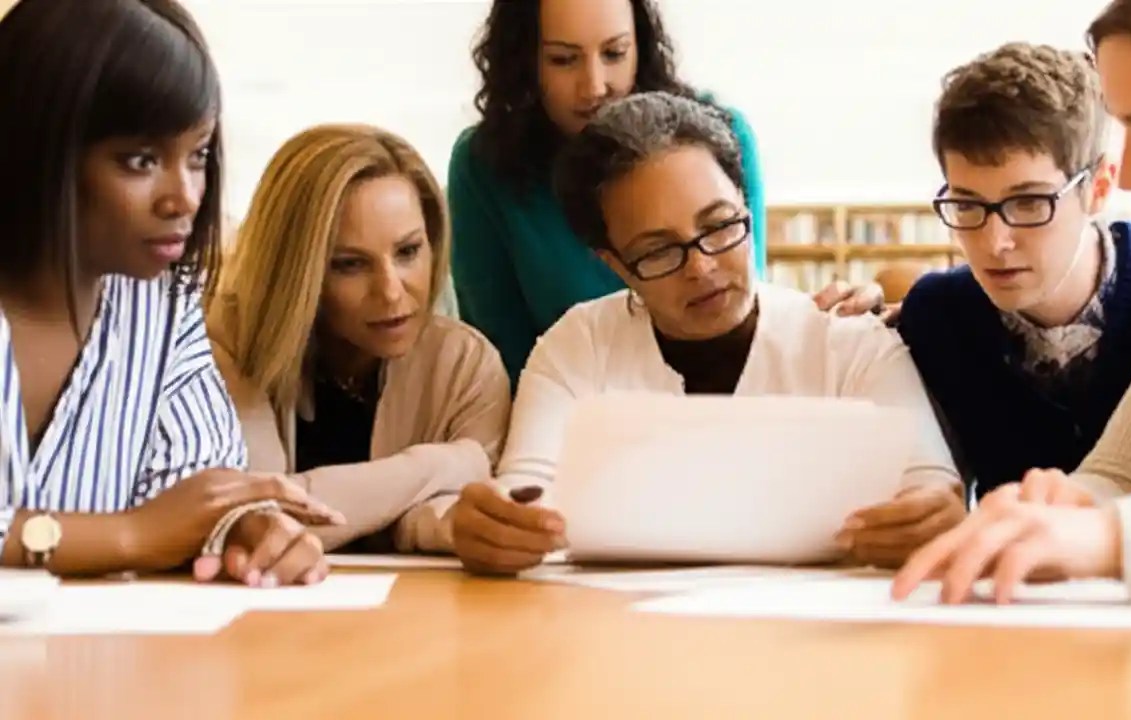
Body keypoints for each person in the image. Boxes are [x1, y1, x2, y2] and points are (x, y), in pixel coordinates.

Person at [444, 92, 964, 575]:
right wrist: (497, 528)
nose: (702, 267)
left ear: (746, 205)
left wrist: (930, 519)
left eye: (719, 227)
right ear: (614, 264)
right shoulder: (579, 347)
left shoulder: (847, 342)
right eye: (658, 251)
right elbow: (524, 494)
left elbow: (932, 488)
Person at [893, 0, 1131, 605]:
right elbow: (1124, 479)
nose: (1128, 176)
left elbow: (1116, 523)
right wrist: (1050, 510)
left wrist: (1109, 534)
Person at [0, 0, 338, 586]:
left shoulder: (166, 307)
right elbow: (156, 526)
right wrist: (132, 535)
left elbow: (193, 488)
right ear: (38, 149)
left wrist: (241, 527)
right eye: (140, 161)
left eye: (199, 156)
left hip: (91, 672)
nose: (185, 198)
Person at [895, 42, 1131, 502]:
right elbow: (936, 479)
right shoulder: (938, 316)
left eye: (1029, 202)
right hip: (1026, 569)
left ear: (1097, 189)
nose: (995, 242)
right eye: (967, 204)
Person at [208, 124, 510, 555]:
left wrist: (437, 521)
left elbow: (441, 518)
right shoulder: (226, 344)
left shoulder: (464, 364)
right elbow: (262, 523)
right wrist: (442, 463)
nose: (391, 291)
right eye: (350, 264)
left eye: (408, 252)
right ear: (297, 269)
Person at [448, 0, 771, 383]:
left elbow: (747, 310)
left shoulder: (718, 137)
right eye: (564, 60)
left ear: (642, 45)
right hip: (566, 417)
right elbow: (502, 360)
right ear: (525, 59)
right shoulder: (484, 165)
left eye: (615, 53)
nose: (595, 86)